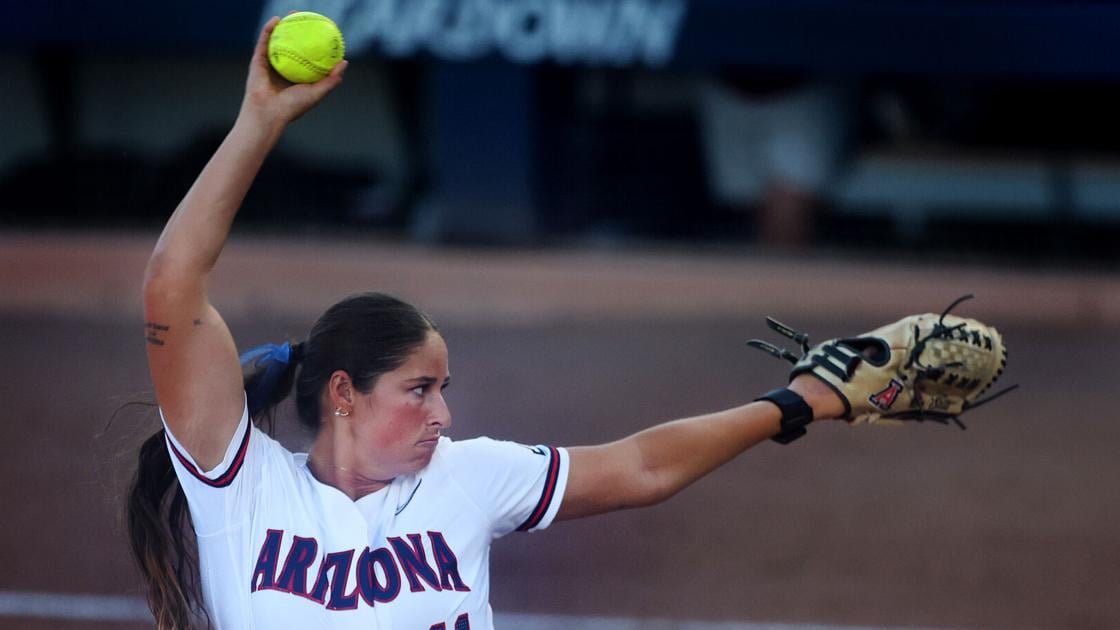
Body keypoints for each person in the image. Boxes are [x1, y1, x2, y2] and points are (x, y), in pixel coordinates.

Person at [127, 17, 844, 630]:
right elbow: (172, 281)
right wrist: (260, 123)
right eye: (419, 389)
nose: (443, 413)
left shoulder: (467, 477)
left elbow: (642, 467)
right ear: (343, 392)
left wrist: (796, 403)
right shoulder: (241, 486)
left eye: (442, 388)